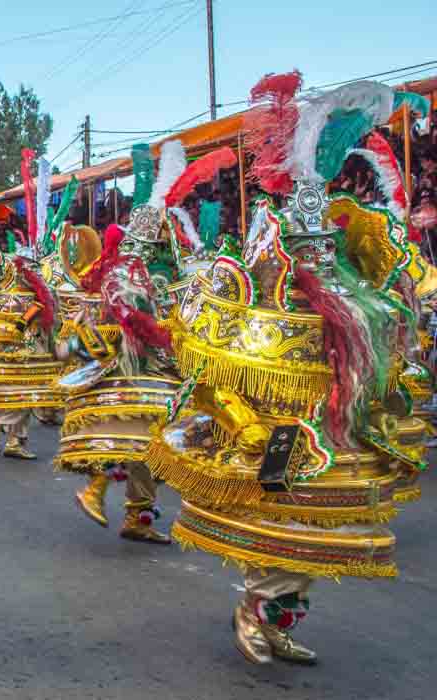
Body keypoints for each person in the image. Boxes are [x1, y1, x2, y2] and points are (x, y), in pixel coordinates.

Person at [149, 72, 428, 665]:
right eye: (304, 258)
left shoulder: (350, 306)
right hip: (270, 440)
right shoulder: (247, 303)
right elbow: (212, 377)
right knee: (279, 540)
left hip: (327, 438)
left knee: (316, 547)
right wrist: (246, 422)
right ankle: (255, 613)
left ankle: (270, 620)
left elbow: (377, 361)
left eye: (321, 256)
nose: (315, 271)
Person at [54, 140, 237, 543]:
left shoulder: (131, 272)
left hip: (145, 367)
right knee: (144, 440)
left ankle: (137, 517)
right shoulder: (132, 275)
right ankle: (97, 490)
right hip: (135, 368)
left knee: (148, 444)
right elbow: (135, 320)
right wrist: (170, 336)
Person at [0, 151, 72, 458]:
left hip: (32, 349)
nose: (38, 275)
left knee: (28, 395)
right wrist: (33, 315)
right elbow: (19, 319)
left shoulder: (28, 291)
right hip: (20, 352)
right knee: (26, 395)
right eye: (34, 271)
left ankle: (14, 441)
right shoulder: (15, 293)